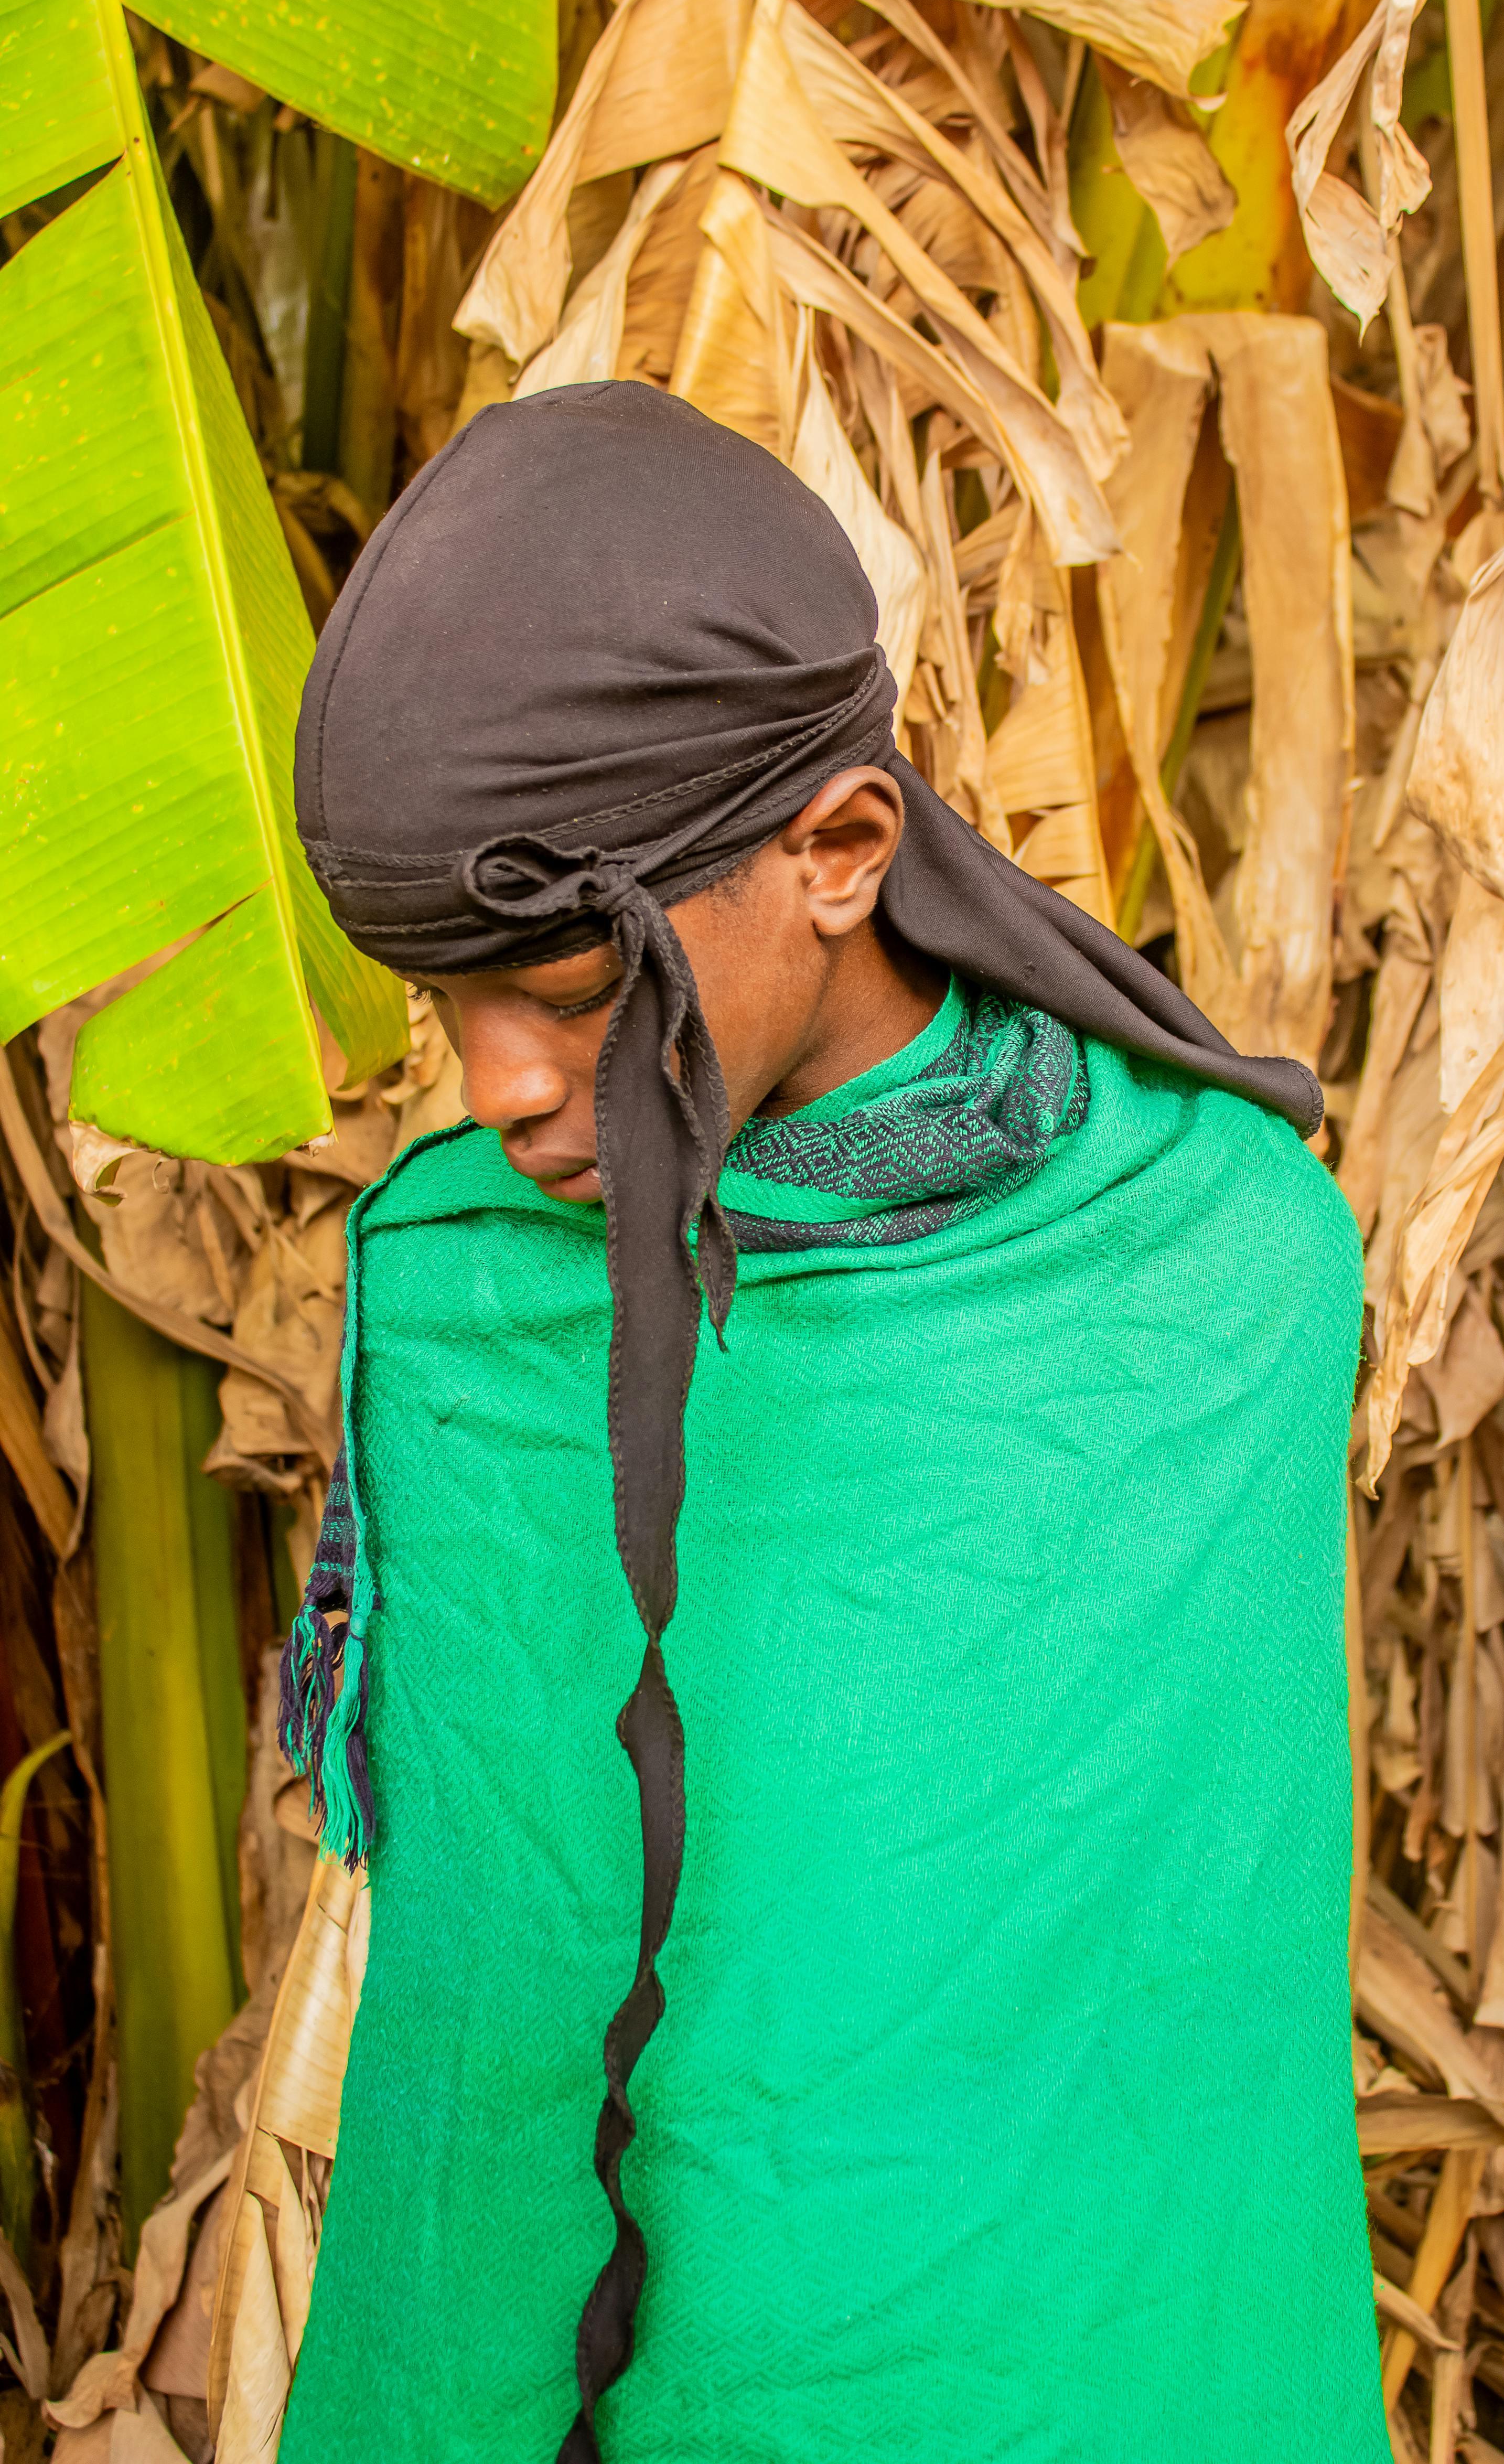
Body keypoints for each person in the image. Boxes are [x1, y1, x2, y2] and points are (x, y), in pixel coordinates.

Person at [268, 381, 1384, 2462]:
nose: (501, 1085)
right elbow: (487, 1984)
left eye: (569, 996)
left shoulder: (1215, 1262)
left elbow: (1175, 1952)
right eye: (446, 1009)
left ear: (843, 850)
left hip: (1092, 2368)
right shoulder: (459, 1296)